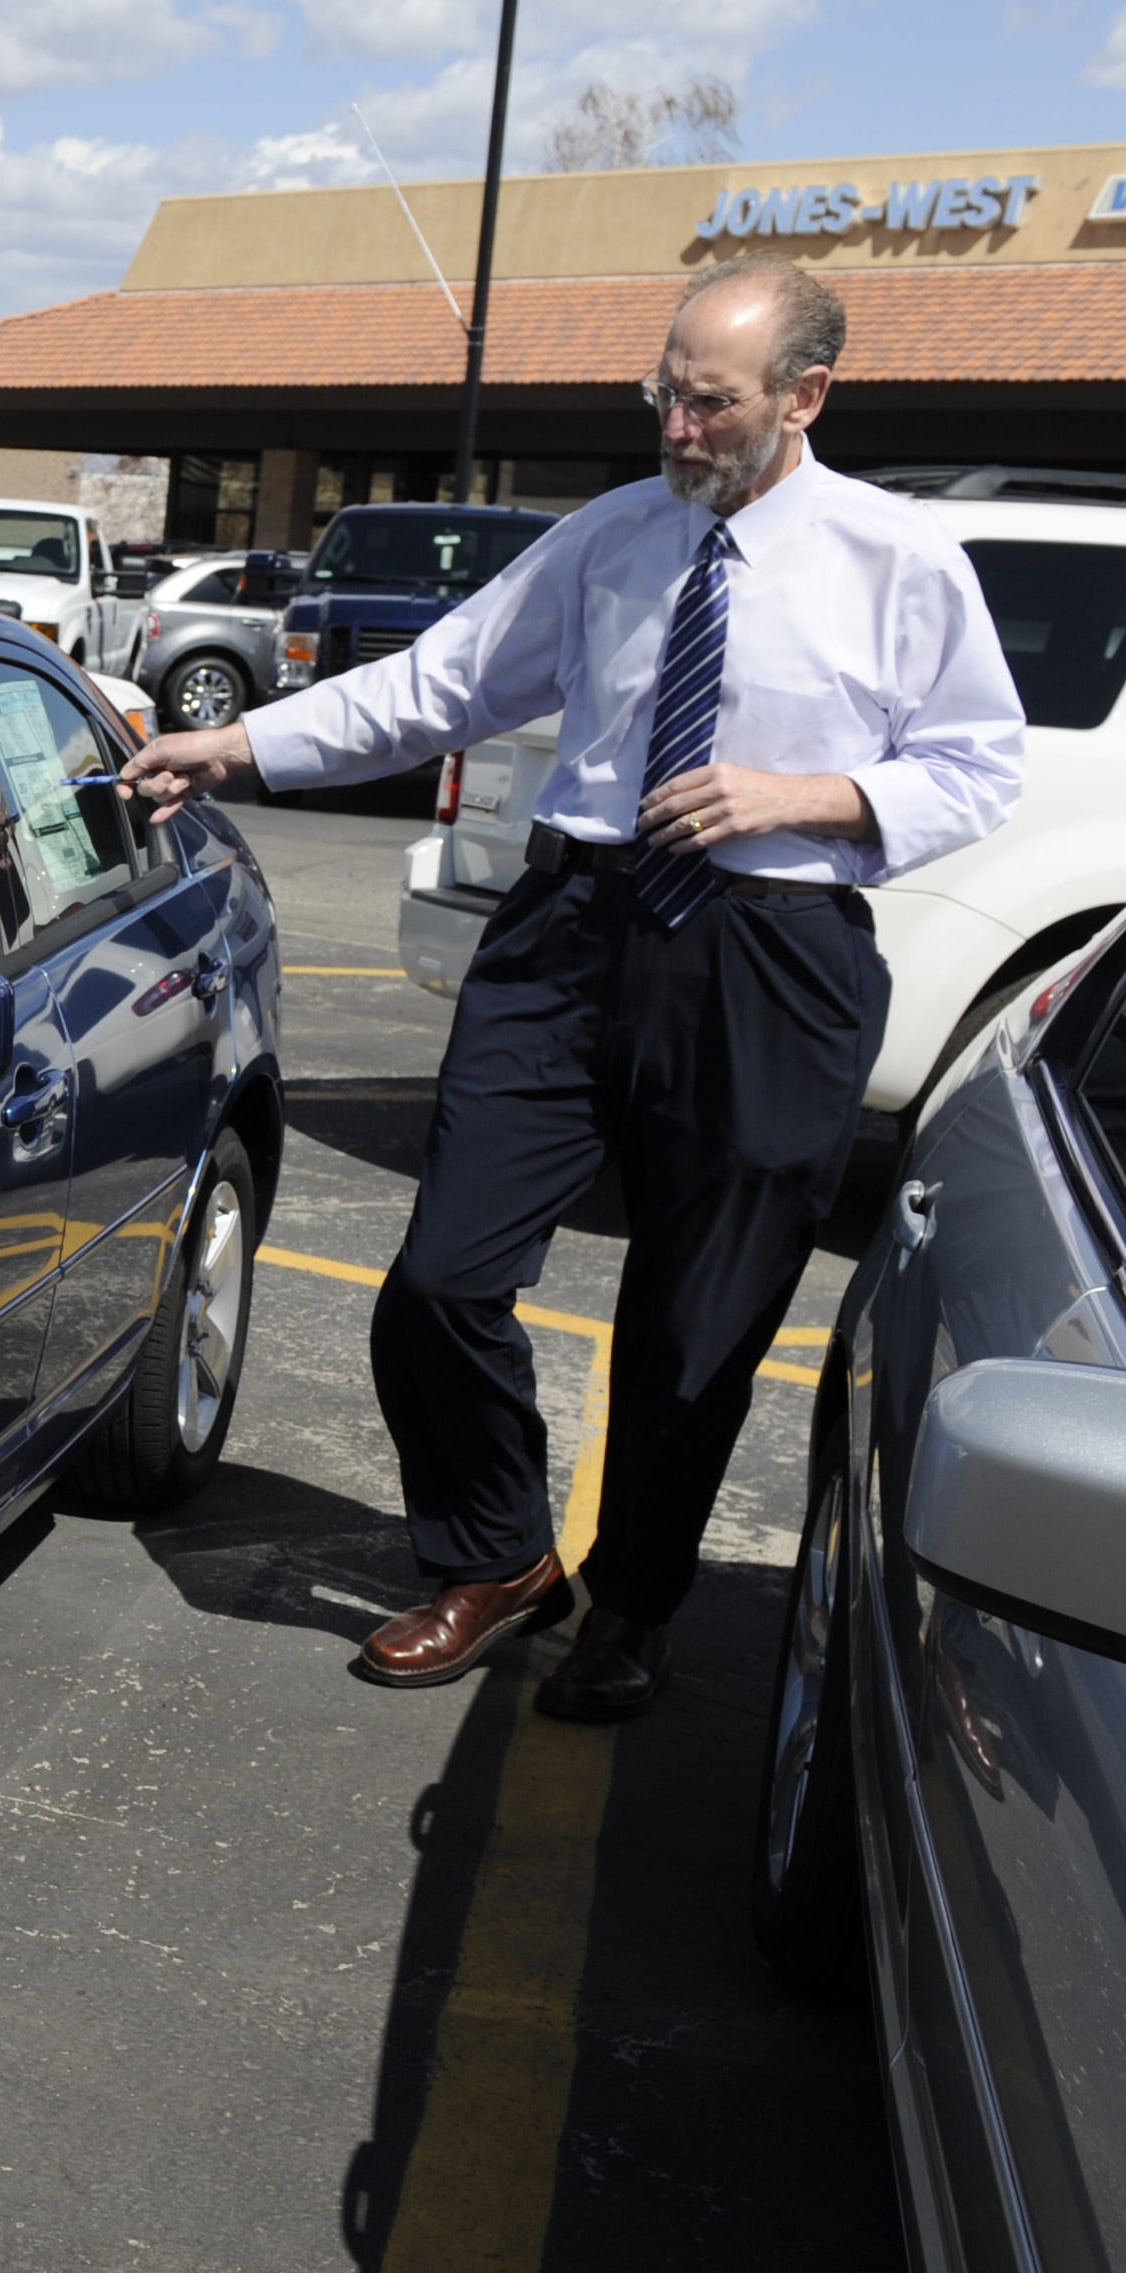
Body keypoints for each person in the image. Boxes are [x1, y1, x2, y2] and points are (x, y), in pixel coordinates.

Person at [121, 257, 1023, 1720]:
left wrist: (810, 793)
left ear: (805, 397)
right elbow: (438, 685)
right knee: (441, 1278)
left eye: (708, 400)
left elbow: (978, 762)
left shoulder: (898, 559)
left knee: (696, 1324)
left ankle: (635, 1607)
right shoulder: (610, 538)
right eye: (661, 390)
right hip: (570, 934)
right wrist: (233, 747)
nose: (673, 426)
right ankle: (497, 1558)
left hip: (772, 953)